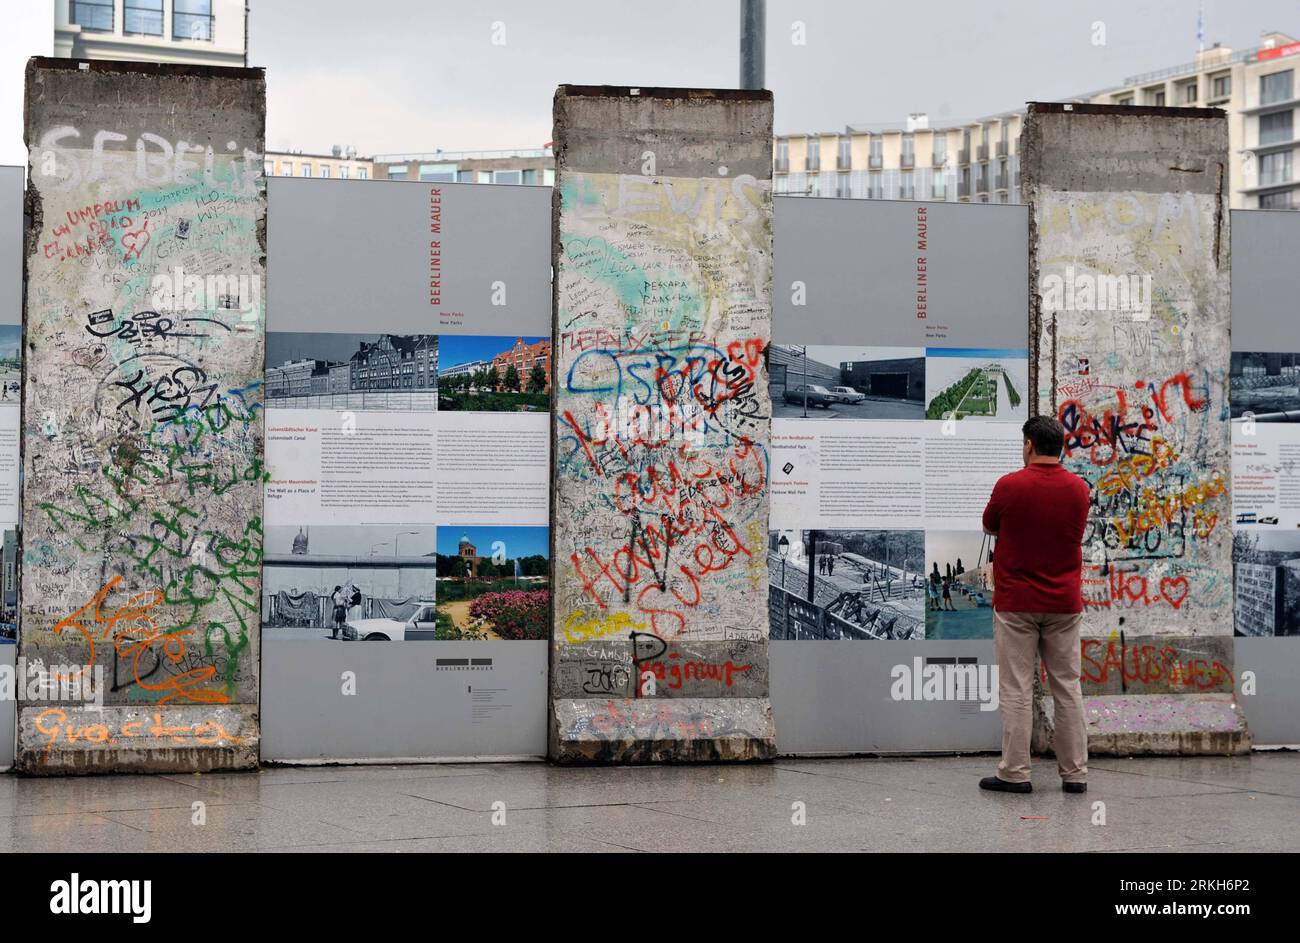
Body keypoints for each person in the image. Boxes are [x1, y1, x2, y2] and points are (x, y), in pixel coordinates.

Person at [979, 415, 1091, 795]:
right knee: (1068, 687)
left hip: (1017, 603)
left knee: (1017, 688)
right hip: (1064, 603)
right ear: (1061, 446)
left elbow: (989, 524)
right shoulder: (1079, 489)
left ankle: (1015, 773)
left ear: (1029, 445)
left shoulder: (1010, 485)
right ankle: (1075, 775)